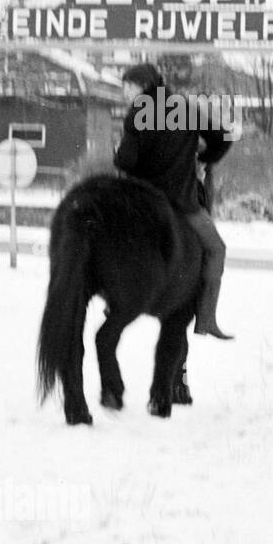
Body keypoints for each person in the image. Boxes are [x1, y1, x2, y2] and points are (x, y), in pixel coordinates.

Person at [114, 63, 234, 339]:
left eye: (128, 87)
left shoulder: (139, 112)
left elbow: (126, 161)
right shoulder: (187, 107)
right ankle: (206, 318)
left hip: (144, 203)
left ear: (143, 86)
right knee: (216, 249)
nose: (125, 93)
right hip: (184, 203)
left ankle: (115, 301)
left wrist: (117, 154)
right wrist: (204, 159)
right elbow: (223, 139)